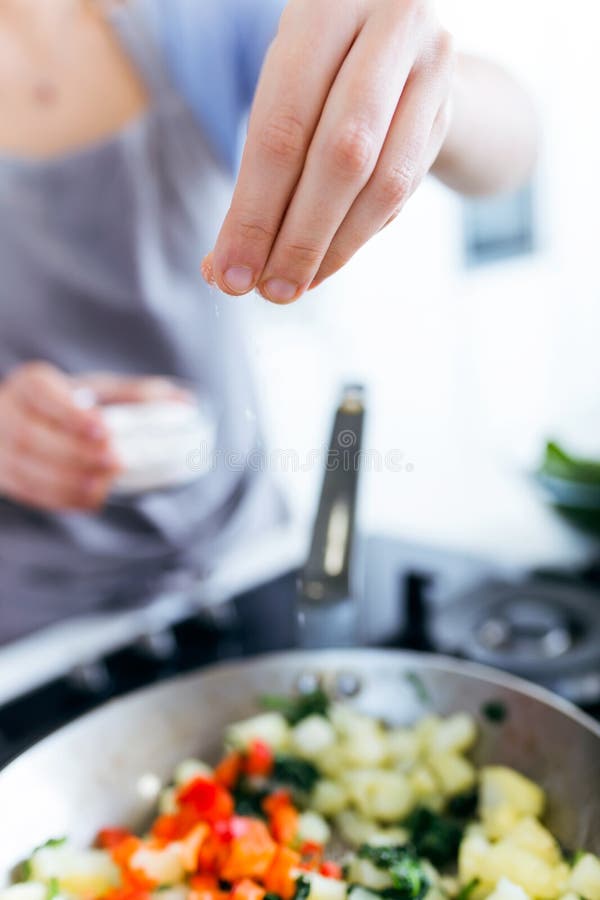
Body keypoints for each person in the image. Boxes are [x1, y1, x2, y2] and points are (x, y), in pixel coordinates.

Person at [0, 0, 537, 643]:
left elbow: (516, 143)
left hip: (241, 560)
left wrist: (430, 84)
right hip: (27, 622)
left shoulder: (198, 16)